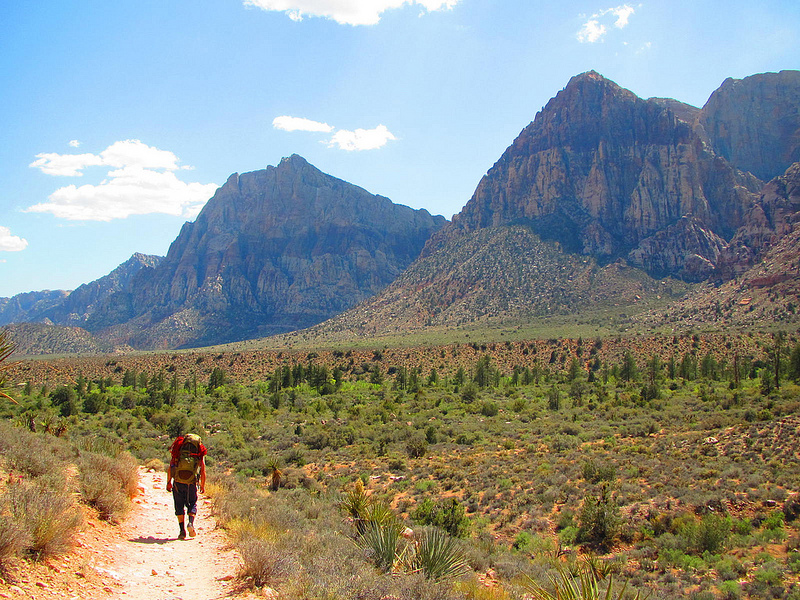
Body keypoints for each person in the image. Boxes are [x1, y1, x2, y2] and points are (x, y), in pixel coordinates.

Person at [166, 433, 207, 540]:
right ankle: (190, 523)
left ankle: (182, 531)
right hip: (191, 483)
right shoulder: (199, 453)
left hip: (178, 482)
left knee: (179, 506)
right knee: (192, 503)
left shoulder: (178, 450)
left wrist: (169, 482)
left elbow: (171, 467)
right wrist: (202, 485)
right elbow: (202, 470)